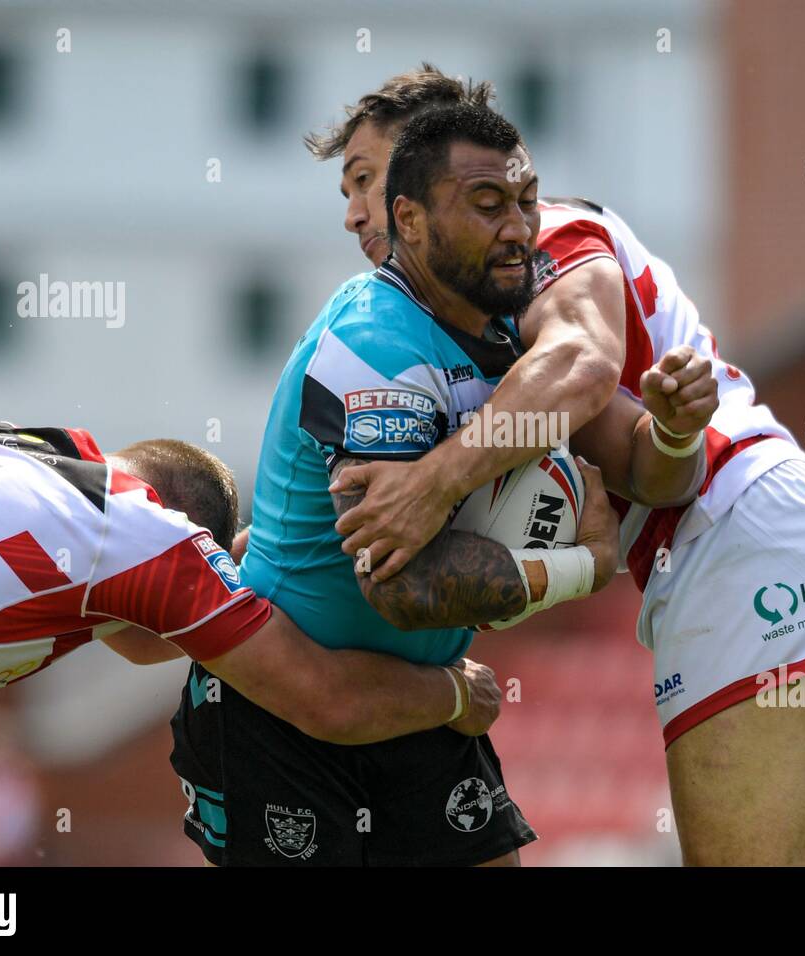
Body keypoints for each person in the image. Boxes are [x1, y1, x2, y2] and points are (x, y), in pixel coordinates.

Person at [310, 68, 805, 866]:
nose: (351, 212)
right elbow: (654, 464)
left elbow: (584, 366)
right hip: (786, 525)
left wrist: (436, 480)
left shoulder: (532, 242)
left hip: (747, 539)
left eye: (363, 179)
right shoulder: (445, 313)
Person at [171, 105, 718, 866]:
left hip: (416, 703)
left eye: (527, 203)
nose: (521, 230)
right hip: (283, 714)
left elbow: (650, 473)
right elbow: (402, 588)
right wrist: (583, 568)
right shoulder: (375, 344)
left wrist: (677, 426)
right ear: (414, 221)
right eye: (489, 208)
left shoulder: (508, 340)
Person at [0, 421, 502, 750]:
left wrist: (241, 565)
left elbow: (138, 640)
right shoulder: (143, 532)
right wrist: (452, 695)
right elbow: (323, 699)